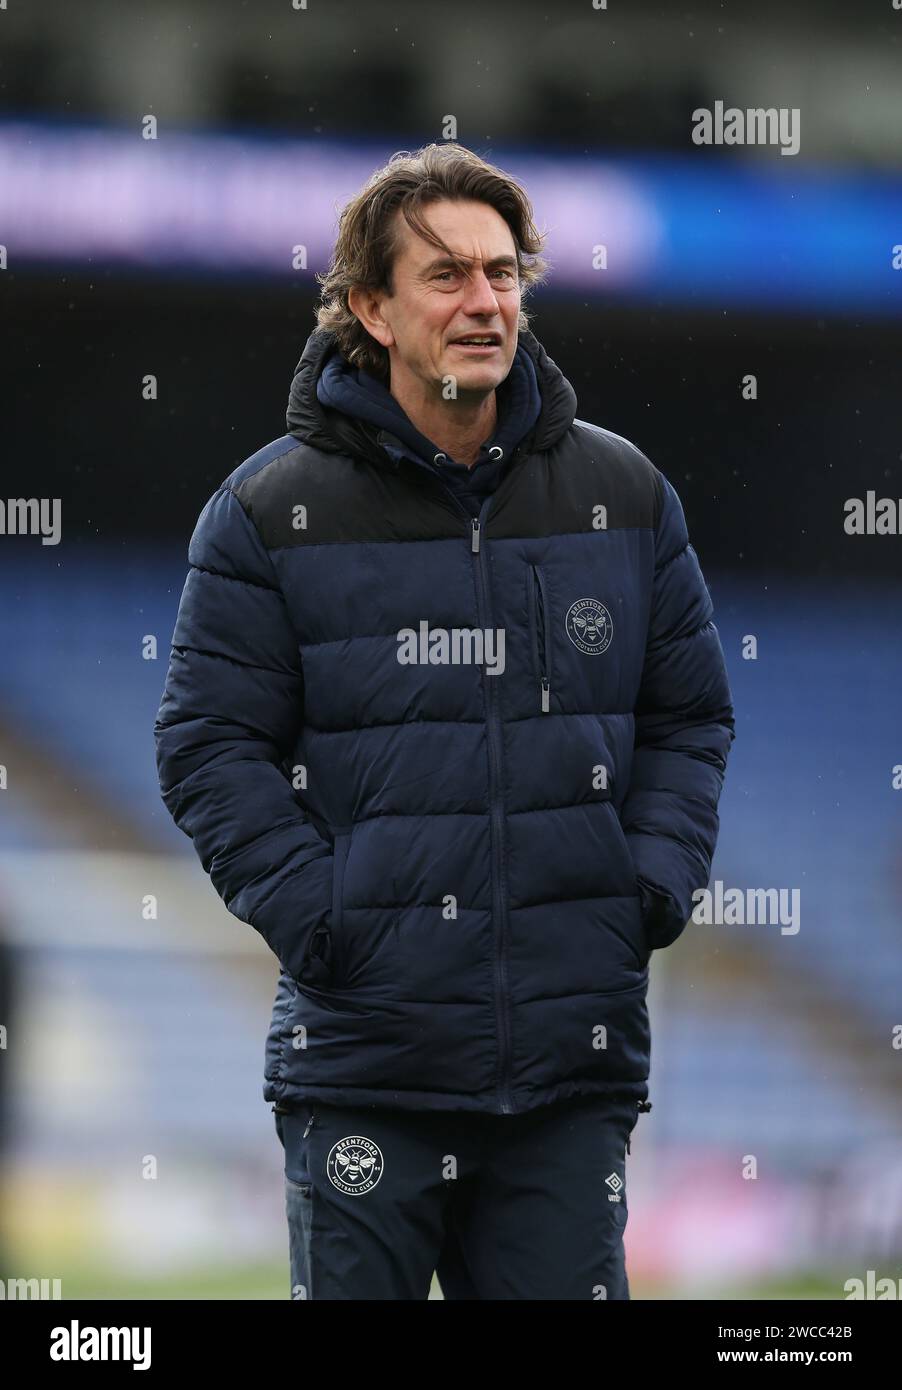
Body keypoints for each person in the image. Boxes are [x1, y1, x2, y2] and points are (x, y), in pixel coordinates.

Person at [154, 142, 735, 1300]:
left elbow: (688, 716)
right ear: (369, 307)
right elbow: (206, 744)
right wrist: (329, 921)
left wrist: (643, 890)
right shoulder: (267, 512)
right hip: (367, 1064)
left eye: (503, 272)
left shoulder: (624, 494)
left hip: (568, 1068)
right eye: (446, 277)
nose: (485, 301)